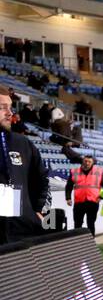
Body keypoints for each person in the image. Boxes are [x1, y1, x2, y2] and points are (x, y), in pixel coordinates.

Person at [0, 87, 50, 244]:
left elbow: (40, 178)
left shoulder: (22, 143)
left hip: (22, 233)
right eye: (2, 107)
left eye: (10, 107)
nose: (10, 113)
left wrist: (36, 209)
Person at [66, 153, 103, 235]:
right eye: (85, 161)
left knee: (91, 224)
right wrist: (68, 198)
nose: (87, 163)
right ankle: (77, 242)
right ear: (82, 161)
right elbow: (69, 186)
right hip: (79, 202)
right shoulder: (74, 171)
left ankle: (91, 242)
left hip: (93, 202)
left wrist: (102, 196)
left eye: (89, 162)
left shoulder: (99, 171)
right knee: (77, 224)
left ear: (93, 162)